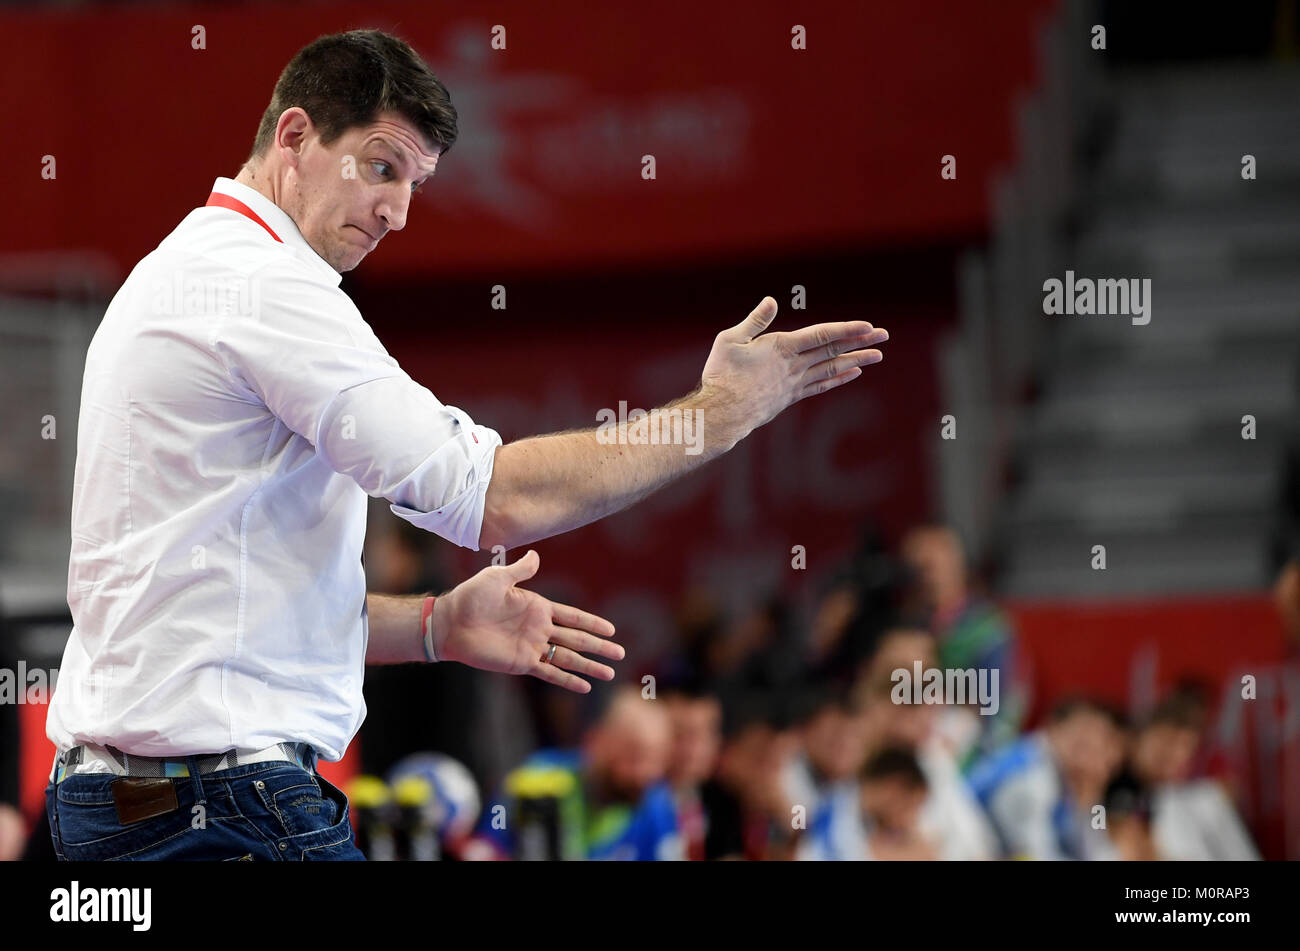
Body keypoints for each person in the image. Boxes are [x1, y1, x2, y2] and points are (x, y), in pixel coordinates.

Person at [43, 30, 888, 861]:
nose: (398, 210)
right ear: (295, 137)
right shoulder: (267, 287)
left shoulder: (177, 270)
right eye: (381, 165)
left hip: (117, 809)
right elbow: (492, 499)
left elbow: (215, 610)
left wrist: (438, 626)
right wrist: (716, 414)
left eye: (415, 182)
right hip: (223, 808)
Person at [464, 686, 681, 860]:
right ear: (597, 742)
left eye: (656, 760)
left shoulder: (657, 803)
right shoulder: (536, 779)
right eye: (634, 757)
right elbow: (485, 848)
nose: (644, 773)